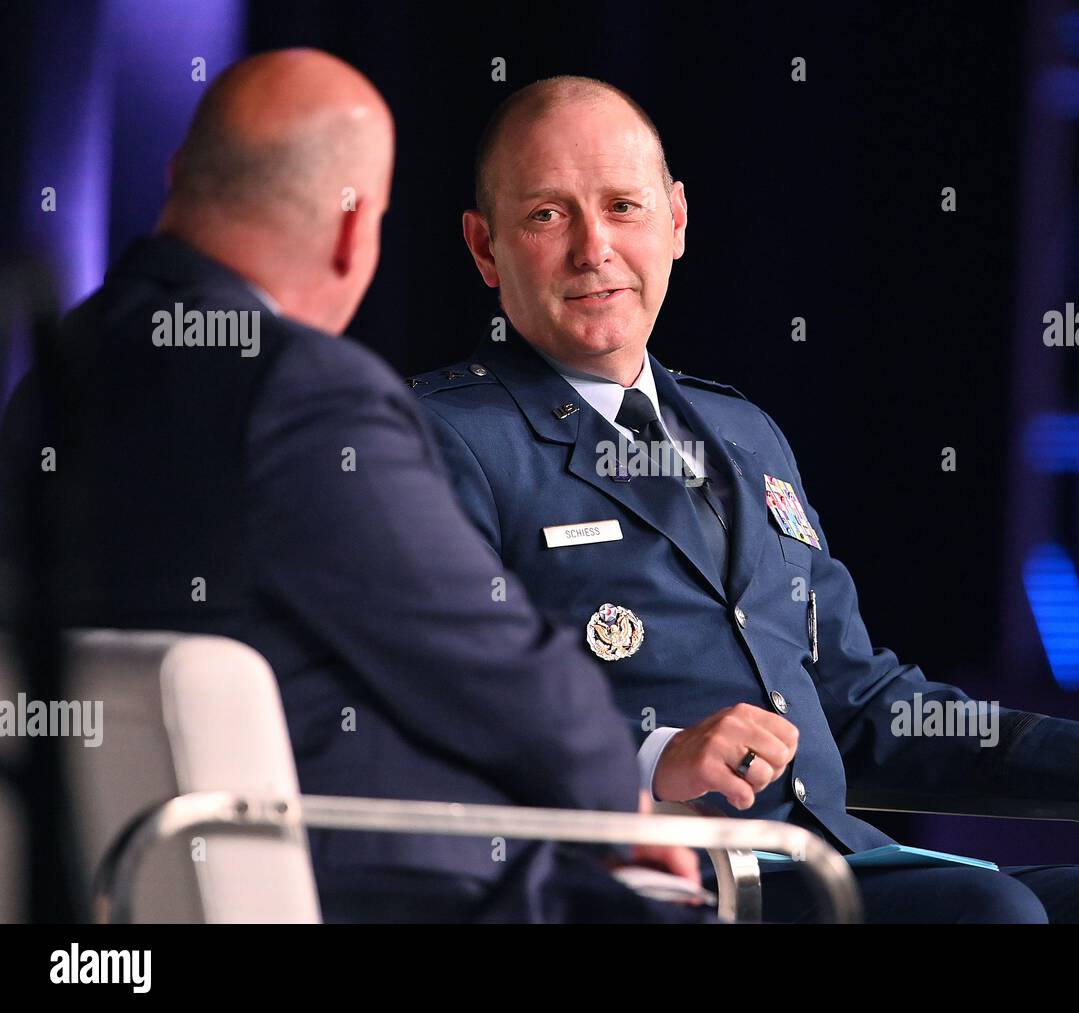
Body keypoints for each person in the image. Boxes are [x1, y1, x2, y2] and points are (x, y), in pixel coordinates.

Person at [409, 75, 1079, 922]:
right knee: (987, 913)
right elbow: (429, 700)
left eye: (623, 206)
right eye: (547, 215)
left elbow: (859, 702)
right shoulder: (446, 440)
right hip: (663, 887)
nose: (594, 247)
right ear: (485, 248)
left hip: (841, 866)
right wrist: (654, 756)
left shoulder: (743, 433)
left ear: (676, 221)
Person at [0, 52, 706, 923]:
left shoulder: (57, 374)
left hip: (115, 883)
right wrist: (617, 798)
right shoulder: (300, 392)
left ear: (180, 177)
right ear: (350, 232)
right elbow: (479, 657)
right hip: (390, 882)